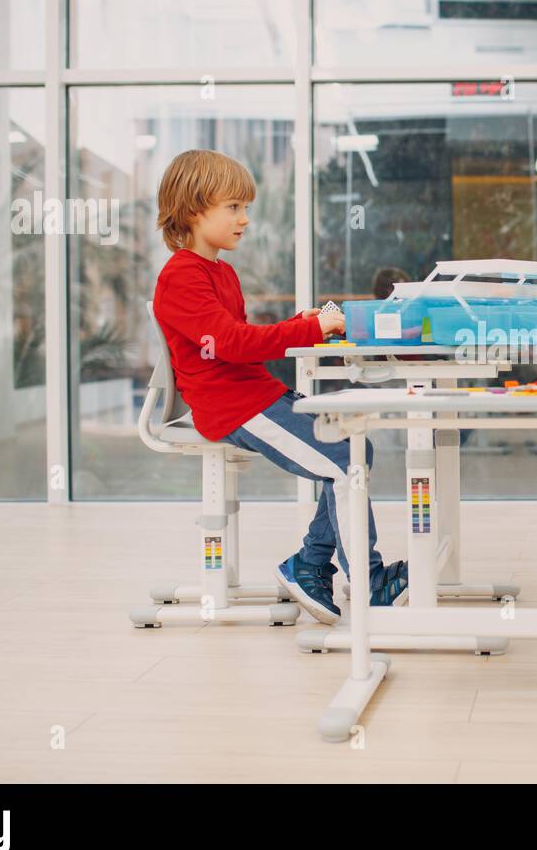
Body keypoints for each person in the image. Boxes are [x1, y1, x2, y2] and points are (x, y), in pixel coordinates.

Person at [151, 149, 407, 624]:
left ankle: (308, 564)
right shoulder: (181, 276)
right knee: (341, 460)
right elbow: (230, 344)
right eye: (233, 207)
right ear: (192, 208)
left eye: (245, 207)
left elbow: (238, 342)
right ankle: (367, 585)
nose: (244, 219)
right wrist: (311, 330)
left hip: (255, 396)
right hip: (234, 408)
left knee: (354, 449)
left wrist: (299, 322)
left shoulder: (221, 272)